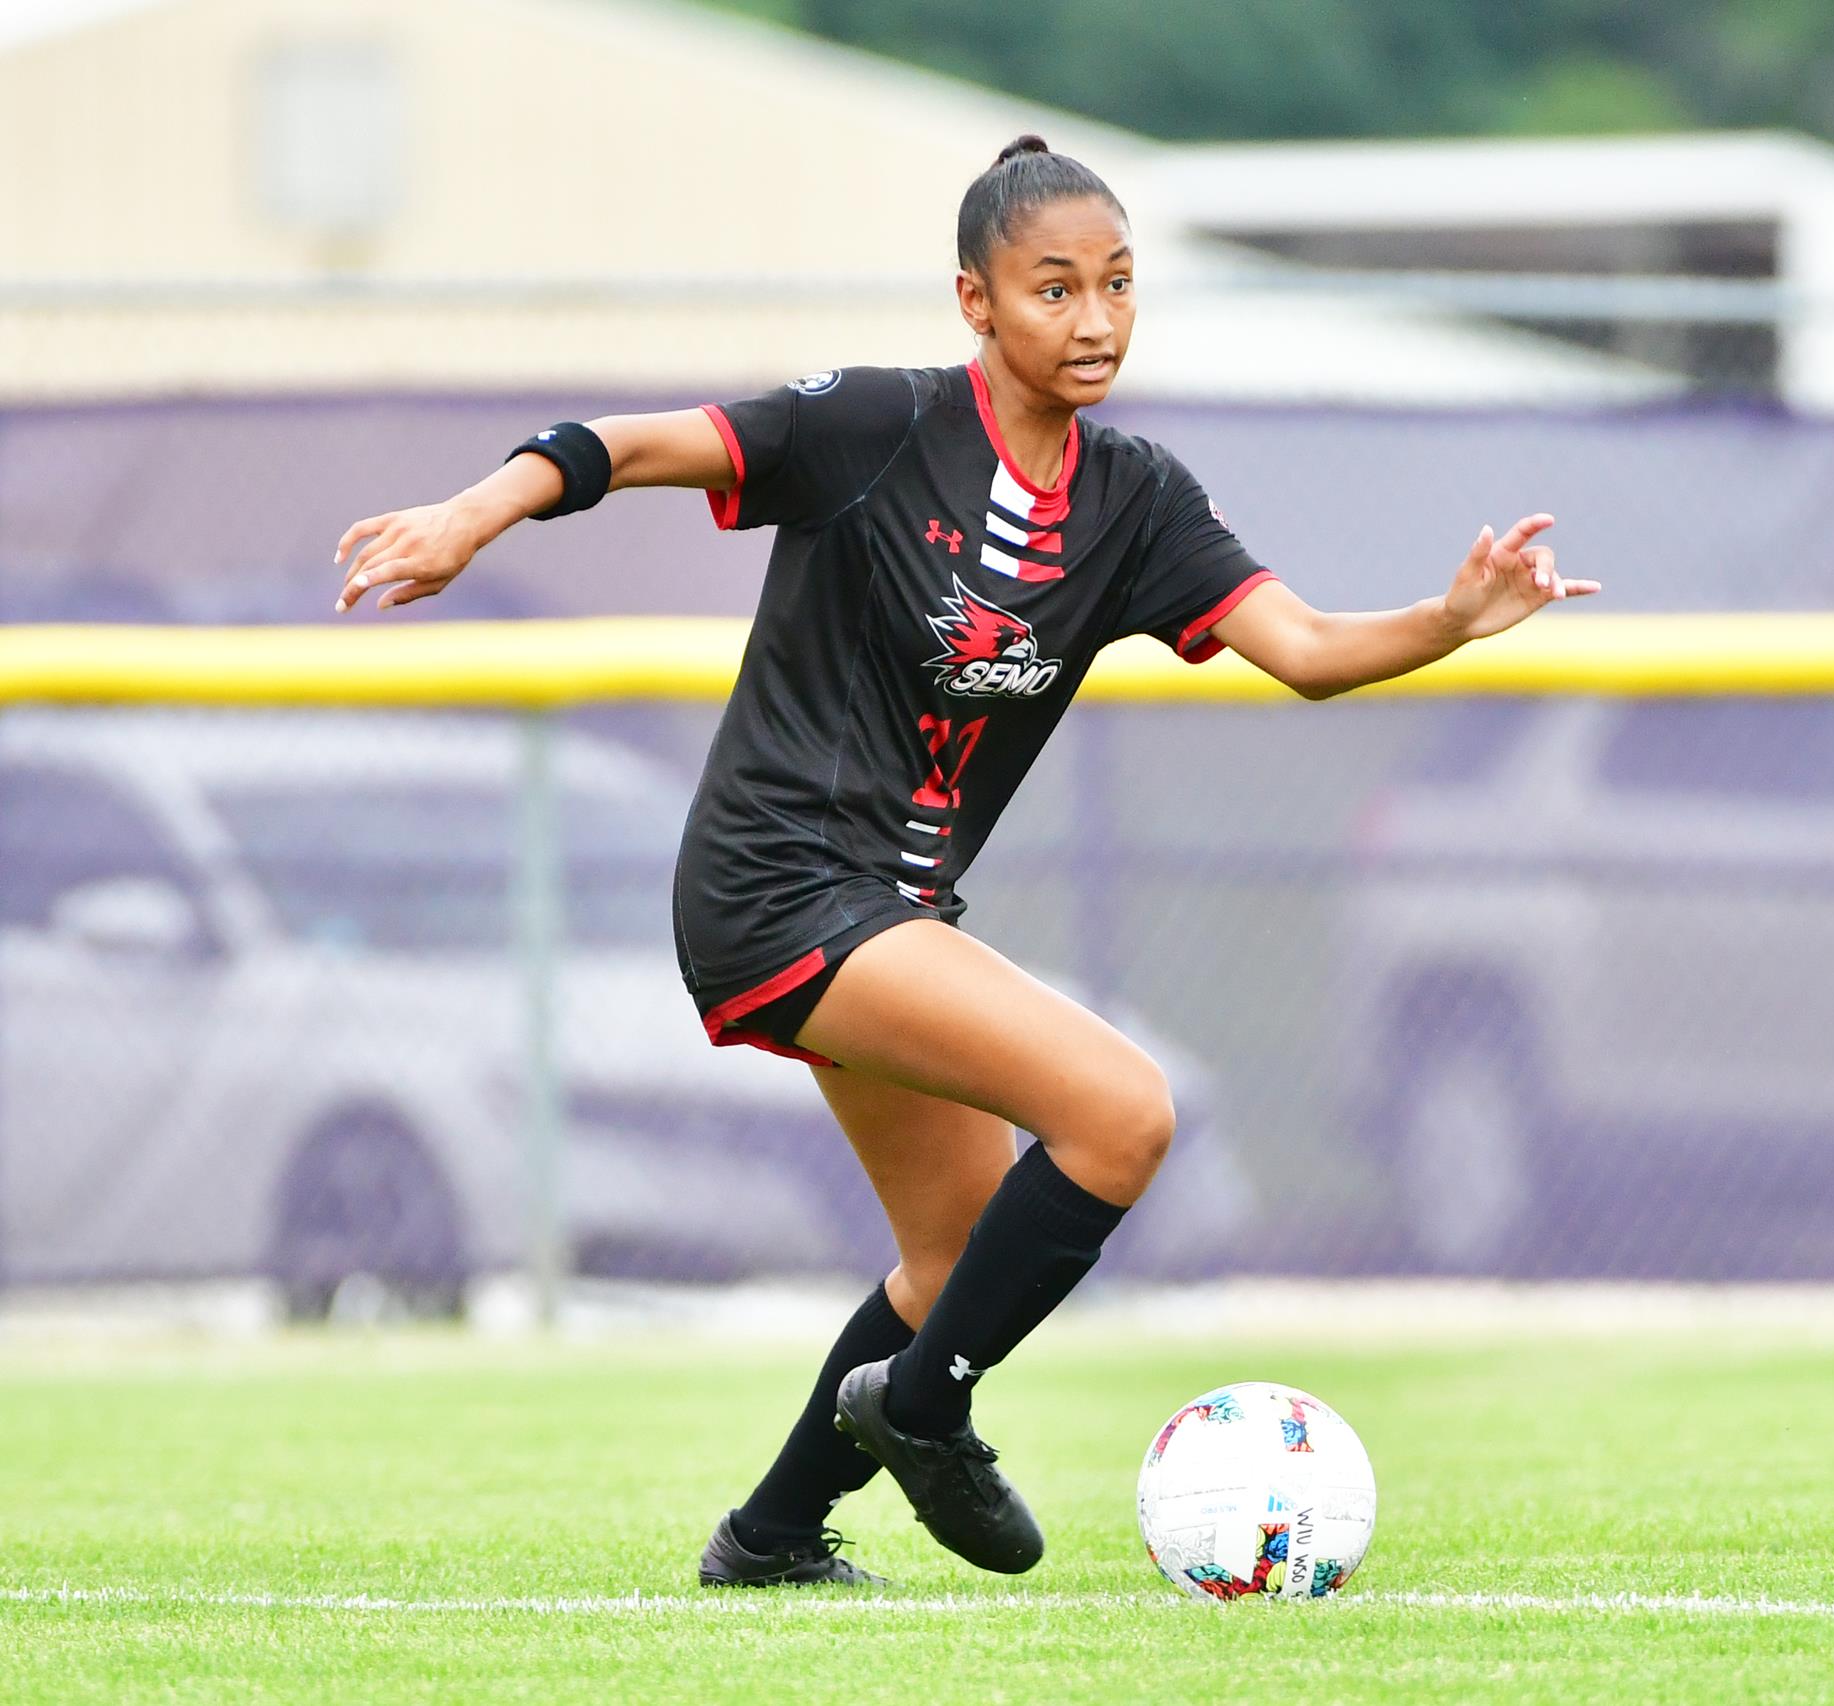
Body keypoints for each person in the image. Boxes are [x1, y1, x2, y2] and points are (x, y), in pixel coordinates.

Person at [330, 136, 1596, 1588]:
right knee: (1123, 1113)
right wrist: (467, 517)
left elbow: (1304, 652)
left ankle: (770, 1536)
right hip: (774, 882)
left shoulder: (1134, 499)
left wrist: (1453, 616)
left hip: (891, 907)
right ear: (974, 302)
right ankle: (926, 1407)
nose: (1096, 318)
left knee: (947, 1262)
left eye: (1118, 284)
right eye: (1053, 288)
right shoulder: (873, 427)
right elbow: (625, 448)